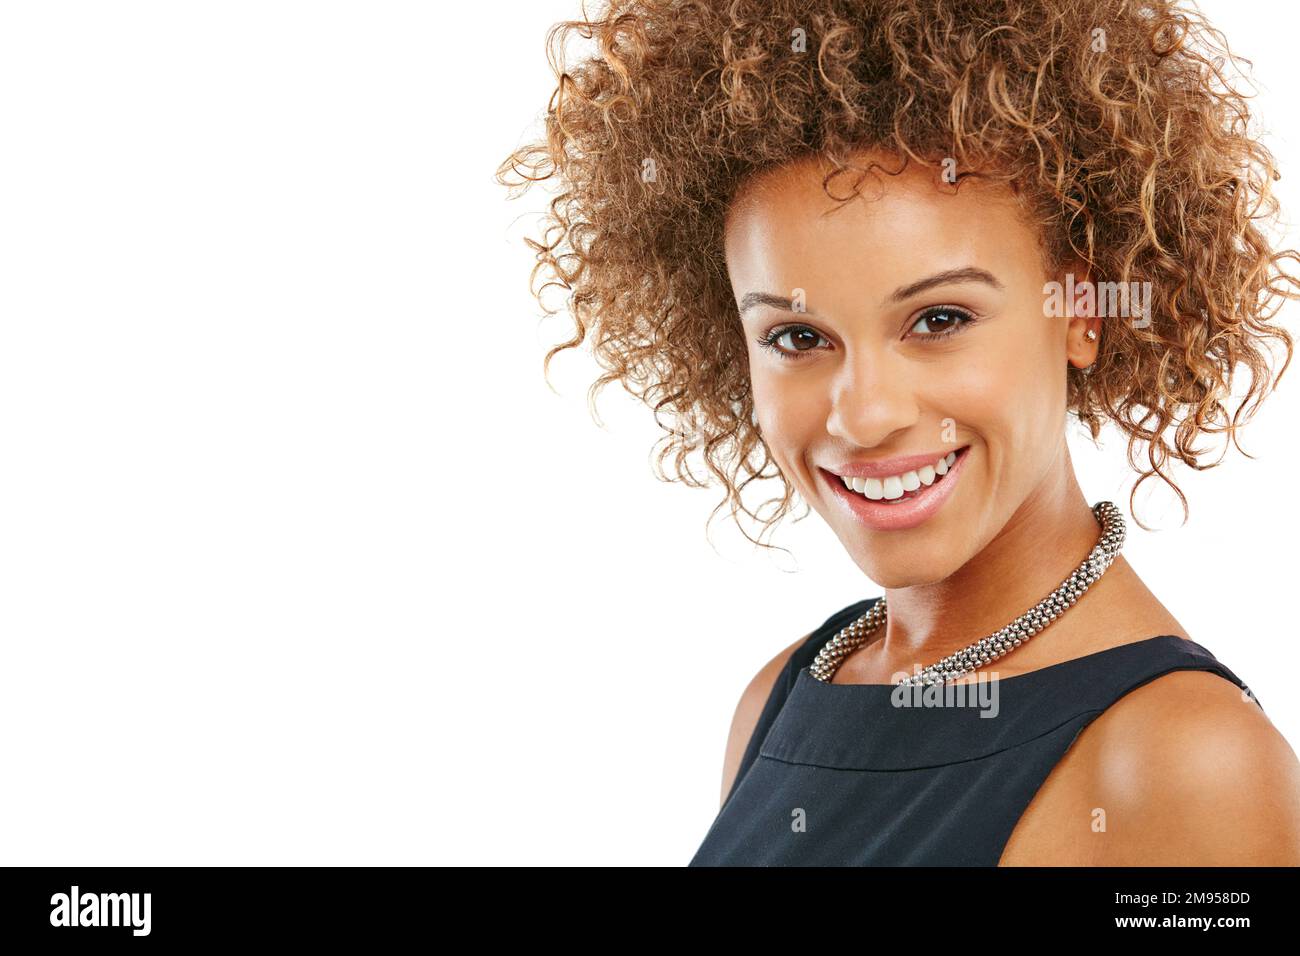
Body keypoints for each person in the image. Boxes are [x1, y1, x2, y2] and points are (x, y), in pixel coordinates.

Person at [498, 0, 1300, 864]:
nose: (865, 413)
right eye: (797, 338)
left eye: (940, 318)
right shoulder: (782, 699)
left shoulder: (1182, 762)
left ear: (1081, 309)